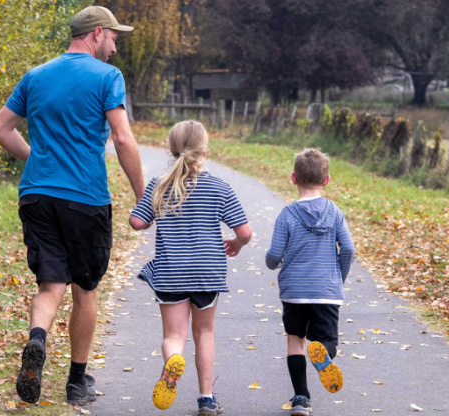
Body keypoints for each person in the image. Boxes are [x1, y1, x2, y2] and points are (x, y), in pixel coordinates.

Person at [0, 5, 145, 406]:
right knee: (85, 288)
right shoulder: (107, 77)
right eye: (112, 37)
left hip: (36, 195)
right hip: (85, 198)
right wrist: (144, 194)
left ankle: (37, 341)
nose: (114, 46)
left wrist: (36, 159)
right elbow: (123, 139)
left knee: (50, 282)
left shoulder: (36, 76)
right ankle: (77, 382)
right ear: (95, 34)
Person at [129, 120, 252, 416]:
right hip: (207, 273)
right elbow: (245, 232)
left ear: (171, 149)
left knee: (174, 336)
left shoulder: (159, 186)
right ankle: (206, 398)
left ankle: (174, 359)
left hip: (171, 273)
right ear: (205, 150)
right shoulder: (219, 188)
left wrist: (149, 213)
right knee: (205, 333)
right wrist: (236, 243)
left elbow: (136, 222)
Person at [265, 148, 355, 416]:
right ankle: (323, 353)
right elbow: (348, 249)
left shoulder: (287, 214)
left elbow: (274, 254)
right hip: (327, 290)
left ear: (294, 178)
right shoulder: (335, 212)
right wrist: (338, 277)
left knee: (296, 340)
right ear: (326, 180)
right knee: (327, 341)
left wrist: (273, 263)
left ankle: (301, 399)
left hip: (295, 291)